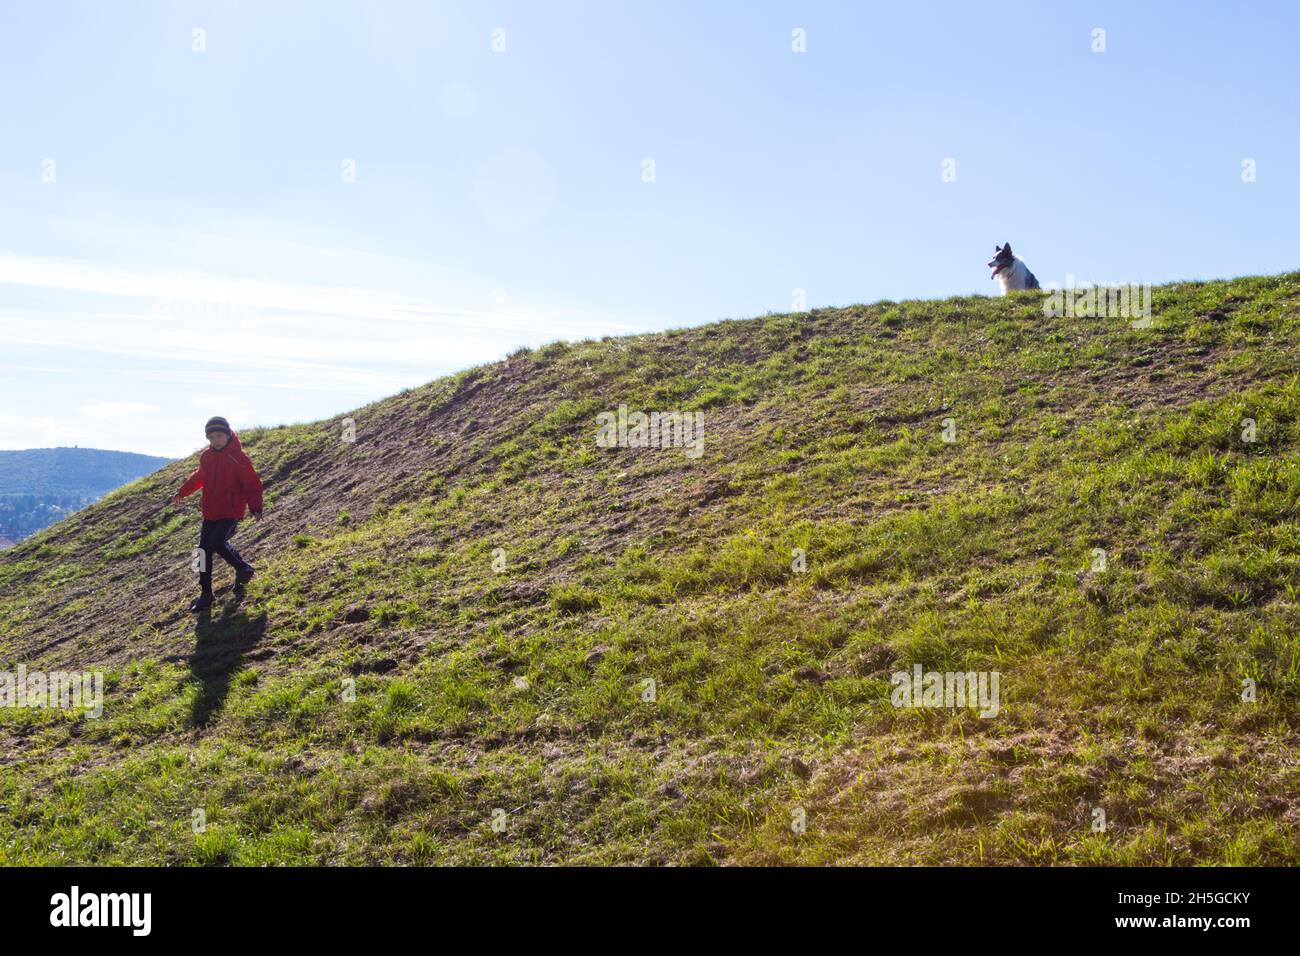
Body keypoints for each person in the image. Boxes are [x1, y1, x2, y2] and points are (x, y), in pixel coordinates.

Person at [169, 416, 265, 613]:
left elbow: (252, 485)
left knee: (217, 542)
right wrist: (182, 491)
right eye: (211, 437)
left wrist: (255, 508)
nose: (215, 440)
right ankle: (205, 593)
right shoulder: (207, 456)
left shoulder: (239, 458)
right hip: (210, 512)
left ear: (228, 434)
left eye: (219, 435)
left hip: (230, 511)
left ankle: (243, 569)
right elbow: (199, 477)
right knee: (202, 551)